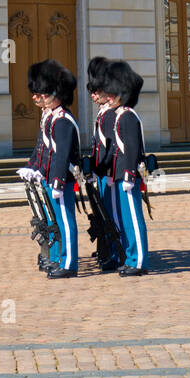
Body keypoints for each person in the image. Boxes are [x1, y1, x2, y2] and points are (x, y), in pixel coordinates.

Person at [17, 58, 80, 279]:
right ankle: (57, 257)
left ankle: (69, 263)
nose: (37, 98)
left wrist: (57, 181)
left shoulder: (63, 120)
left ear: (55, 93)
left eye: (42, 93)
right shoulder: (50, 117)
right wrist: (33, 167)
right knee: (53, 222)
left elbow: (61, 155)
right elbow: (42, 148)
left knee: (64, 222)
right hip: (48, 176)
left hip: (59, 179)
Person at [101, 60, 149, 276]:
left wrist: (129, 174)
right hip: (119, 174)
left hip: (127, 175)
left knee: (132, 219)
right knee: (124, 219)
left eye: (111, 93)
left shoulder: (127, 116)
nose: (107, 96)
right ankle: (130, 257)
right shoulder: (120, 114)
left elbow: (131, 148)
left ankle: (138, 261)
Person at [85, 57, 123, 271]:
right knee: (103, 214)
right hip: (100, 171)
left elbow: (111, 148)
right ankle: (105, 249)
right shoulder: (103, 113)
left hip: (107, 172)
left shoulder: (110, 115)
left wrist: (102, 168)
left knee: (111, 215)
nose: (93, 96)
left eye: (96, 92)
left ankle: (113, 251)